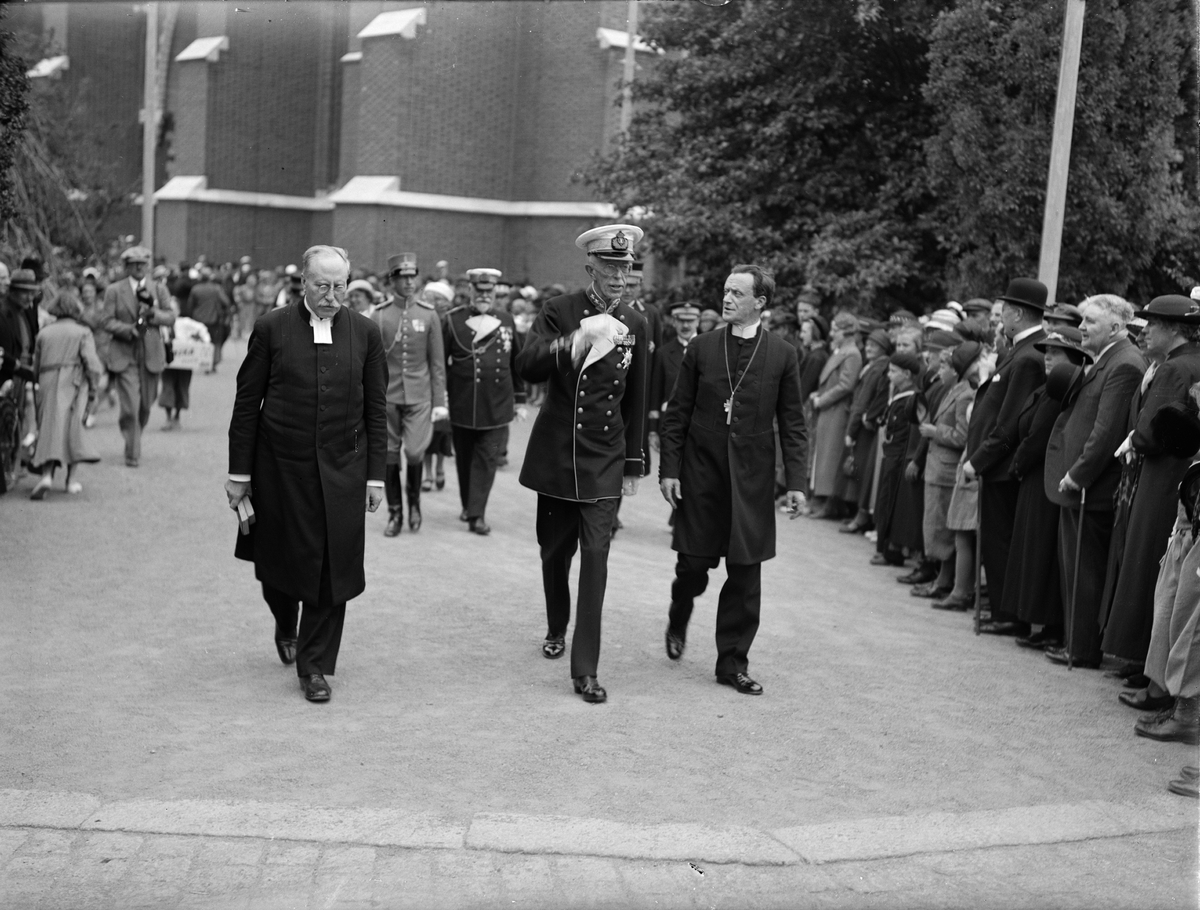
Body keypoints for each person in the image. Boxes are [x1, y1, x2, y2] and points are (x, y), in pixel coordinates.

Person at [225, 245, 387, 703]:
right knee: (278, 568)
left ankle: (314, 666)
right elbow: (245, 405)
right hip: (279, 469)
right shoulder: (271, 328)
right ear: (303, 282)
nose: (333, 296)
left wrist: (375, 476)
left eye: (340, 287)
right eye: (323, 286)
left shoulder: (366, 333)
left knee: (332, 570)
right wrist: (239, 472)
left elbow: (376, 410)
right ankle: (284, 619)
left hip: (342, 471)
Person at [515, 223, 649, 704]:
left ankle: (585, 669)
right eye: (611, 266)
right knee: (555, 554)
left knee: (596, 559)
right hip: (558, 453)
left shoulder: (637, 320)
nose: (619, 275)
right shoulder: (560, 311)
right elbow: (526, 364)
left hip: (605, 457)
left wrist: (633, 463)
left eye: (626, 266)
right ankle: (556, 622)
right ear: (590, 265)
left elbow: (637, 396)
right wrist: (575, 338)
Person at [659, 265, 807, 696]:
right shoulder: (703, 348)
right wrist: (670, 469)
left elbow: (794, 423)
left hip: (751, 480)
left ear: (759, 302)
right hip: (701, 474)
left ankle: (732, 663)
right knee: (692, 567)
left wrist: (796, 482)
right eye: (725, 290)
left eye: (736, 293)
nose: (726, 298)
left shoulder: (782, 353)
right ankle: (679, 611)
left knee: (745, 576)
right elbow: (677, 415)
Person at [1043, 294, 1146, 668]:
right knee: (1075, 566)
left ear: (1116, 328)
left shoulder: (1125, 364)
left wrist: (1077, 474)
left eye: (1090, 322)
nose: (1081, 327)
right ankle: (1076, 642)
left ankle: (1082, 649)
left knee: (1084, 570)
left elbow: (1105, 433)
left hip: (1092, 487)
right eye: (1083, 320)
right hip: (1080, 484)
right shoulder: (1109, 358)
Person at [1101, 296, 1200, 675]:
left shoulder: (1174, 368)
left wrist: (1134, 439)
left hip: (1162, 478)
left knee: (1148, 566)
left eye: (1153, 324)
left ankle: (1142, 664)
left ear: (1175, 329)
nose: (1144, 332)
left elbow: (1150, 430)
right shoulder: (1187, 361)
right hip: (1181, 478)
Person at [1001, 328, 1090, 641]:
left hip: (1043, 476)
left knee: (1040, 551)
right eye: (1046, 352)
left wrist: (1017, 465)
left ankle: (1045, 624)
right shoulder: (1048, 387)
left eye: (1056, 352)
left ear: (1074, 357)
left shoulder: (1059, 392)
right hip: (1034, 477)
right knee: (1030, 548)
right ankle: (1031, 619)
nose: (1048, 357)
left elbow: (1037, 438)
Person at [442, 268, 526, 535]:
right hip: (463, 402)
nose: (484, 296)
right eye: (479, 291)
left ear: (495, 293)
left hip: (497, 404)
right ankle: (469, 505)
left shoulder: (506, 320)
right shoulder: (453, 321)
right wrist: (441, 398)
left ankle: (477, 514)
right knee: (465, 459)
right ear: (470, 291)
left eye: (488, 292)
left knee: (487, 460)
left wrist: (520, 400)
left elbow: (517, 362)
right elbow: (441, 364)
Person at [371, 252, 449, 535]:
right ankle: (396, 513)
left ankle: (414, 503)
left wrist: (439, 402)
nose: (408, 282)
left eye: (412, 276)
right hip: (388, 396)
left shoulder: (429, 315)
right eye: (402, 277)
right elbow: (372, 364)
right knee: (389, 455)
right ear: (392, 280)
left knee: (415, 452)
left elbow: (437, 365)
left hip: (419, 396)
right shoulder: (379, 315)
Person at [100, 246, 175, 468]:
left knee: (145, 406)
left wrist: (154, 314)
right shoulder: (114, 290)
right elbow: (106, 321)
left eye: (143, 263)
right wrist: (127, 330)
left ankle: (134, 437)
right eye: (134, 264)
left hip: (151, 353)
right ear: (126, 267)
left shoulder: (158, 289)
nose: (140, 267)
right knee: (130, 406)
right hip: (124, 353)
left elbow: (171, 317)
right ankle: (132, 452)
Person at [916, 341, 979, 599]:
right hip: (937, 468)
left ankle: (944, 581)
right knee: (935, 525)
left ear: (957, 369)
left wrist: (936, 432)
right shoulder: (951, 390)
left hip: (945, 469)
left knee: (942, 528)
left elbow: (963, 436)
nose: (939, 370)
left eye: (945, 365)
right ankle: (941, 579)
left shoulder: (964, 394)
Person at [27, 291, 104, 499]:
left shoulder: (44, 333)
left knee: (49, 427)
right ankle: (70, 481)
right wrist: (94, 388)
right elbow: (92, 364)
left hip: (46, 380)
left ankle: (46, 475)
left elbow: (36, 365)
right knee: (72, 429)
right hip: (73, 382)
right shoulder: (82, 332)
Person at [807, 312, 861, 518]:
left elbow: (846, 385)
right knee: (823, 455)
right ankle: (819, 498)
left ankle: (828, 502)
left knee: (830, 457)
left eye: (835, 330)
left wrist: (823, 399)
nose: (831, 334)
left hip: (837, 411)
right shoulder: (842, 350)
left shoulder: (852, 353)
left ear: (847, 332)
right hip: (829, 410)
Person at [158, 315, 210, 430]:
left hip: (185, 363)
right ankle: (168, 418)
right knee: (167, 387)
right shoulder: (161, 324)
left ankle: (177, 417)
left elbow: (202, 328)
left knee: (182, 388)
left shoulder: (185, 323)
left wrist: (206, 343)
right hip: (168, 363)